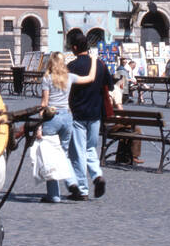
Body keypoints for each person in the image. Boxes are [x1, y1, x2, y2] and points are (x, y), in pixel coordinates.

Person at [36, 50, 96, 202]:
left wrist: (39, 125)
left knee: (50, 156)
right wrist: (94, 60)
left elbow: (44, 104)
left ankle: (54, 195)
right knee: (63, 154)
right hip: (67, 117)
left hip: (52, 117)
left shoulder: (47, 78)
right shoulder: (69, 77)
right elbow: (90, 78)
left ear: (51, 62)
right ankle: (72, 182)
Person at [66, 29, 114, 200]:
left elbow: (66, 91)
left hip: (78, 114)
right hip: (96, 113)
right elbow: (111, 86)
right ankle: (97, 176)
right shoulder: (100, 64)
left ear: (74, 48)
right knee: (90, 148)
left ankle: (82, 189)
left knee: (78, 152)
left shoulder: (71, 66)